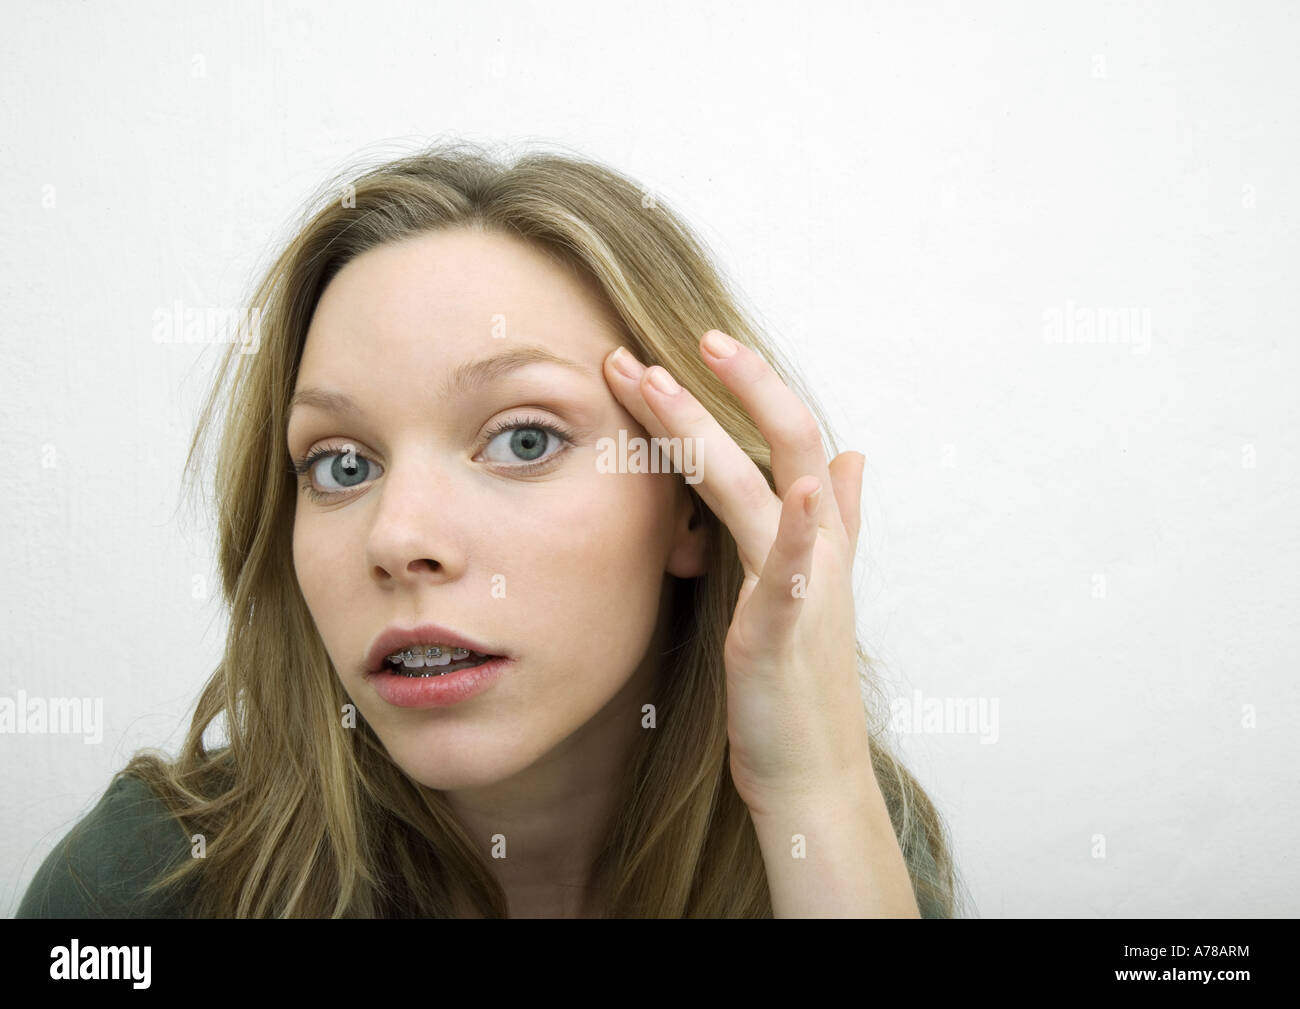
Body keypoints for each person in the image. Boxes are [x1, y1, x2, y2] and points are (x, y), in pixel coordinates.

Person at [18, 140, 962, 918]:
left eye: (522, 439)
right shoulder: (139, 886)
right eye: (343, 464)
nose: (399, 538)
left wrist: (820, 787)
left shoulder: (839, 846)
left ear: (695, 505)